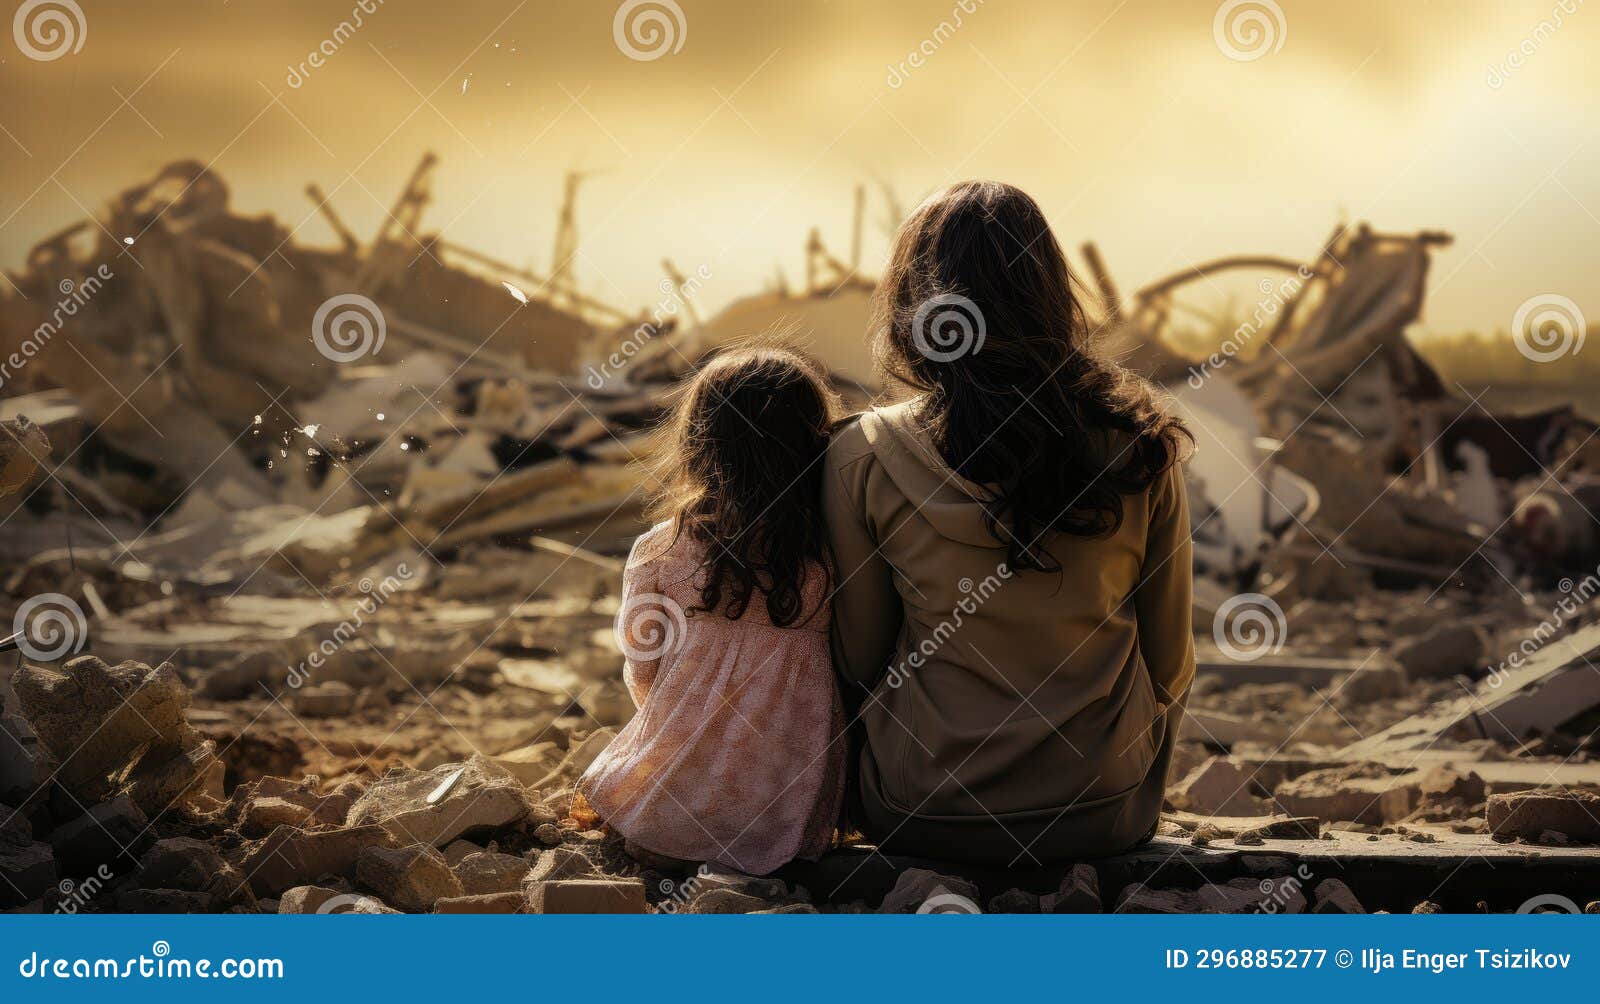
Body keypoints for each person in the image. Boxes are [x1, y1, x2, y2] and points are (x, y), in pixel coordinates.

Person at [822, 181, 1196, 864]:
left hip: (919, 812)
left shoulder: (861, 456)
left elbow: (858, 659)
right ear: (1051, 293)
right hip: (1102, 812)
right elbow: (1170, 666)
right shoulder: (1140, 447)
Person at [580, 347, 846, 875]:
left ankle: (676, 837)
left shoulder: (660, 549)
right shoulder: (835, 555)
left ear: (699, 445)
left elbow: (642, 671)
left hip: (668, 810)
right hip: (791, 812)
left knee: (620, 790)